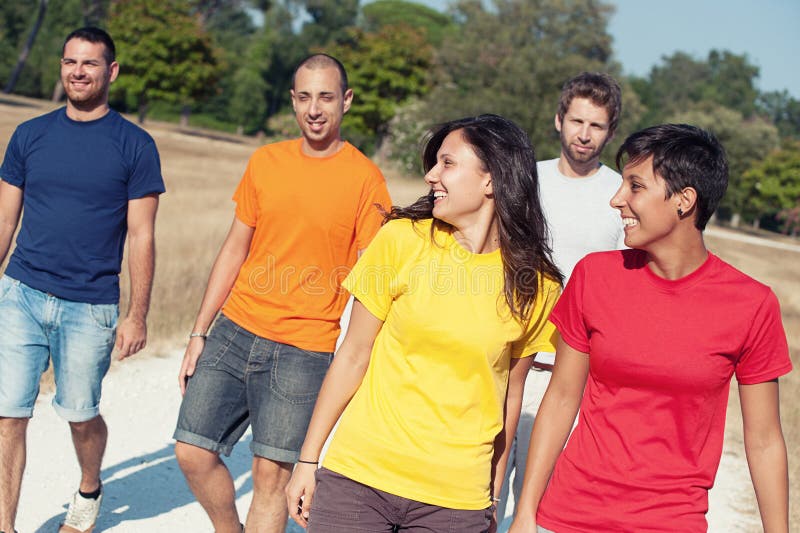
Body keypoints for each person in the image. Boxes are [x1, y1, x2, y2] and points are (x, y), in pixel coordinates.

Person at [285, 114, 563, 533]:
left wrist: (492, 497)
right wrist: (308, 459)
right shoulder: (401, 240)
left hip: (455, 500)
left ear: (491, 179)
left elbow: (509, 396)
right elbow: (353, 354)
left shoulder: (536, 286)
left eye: (447, 163)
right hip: (359, 477)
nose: (432, 175)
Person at [509, 124, 792, 533]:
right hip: (569, 515)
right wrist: (525, 513)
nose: (616, 199)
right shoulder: (593, 277)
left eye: (636, 186)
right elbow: (561, 398)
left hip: (671, 521)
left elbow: (764, 440)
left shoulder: (751, 305)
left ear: (684, 201)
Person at [173, 53, 391, 533]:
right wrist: (198, 331)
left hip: (304, 349)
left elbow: (372, 279)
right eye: (305, 97)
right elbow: (234, 248)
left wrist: (358, 359)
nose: (315, 109)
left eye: (326, 97)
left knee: (271, 478)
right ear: (293, 100)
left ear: (346, 101)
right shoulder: (265, 161)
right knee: (191, 451)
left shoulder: (366, 180)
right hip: (235, 330)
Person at [0, 27, 164, 533]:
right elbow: (5, 220)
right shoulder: (29, 135)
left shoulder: (135, 146)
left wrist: (136, 315)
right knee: (8, 415)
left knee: (79, 415)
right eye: (70, 62)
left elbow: (141, 236)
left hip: (89, 306)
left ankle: (89, 487)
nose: (78, 72)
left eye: (89, 63)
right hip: (21, 293)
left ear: (111, 71)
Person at [498, 71, 626, 520]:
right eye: (577, 121)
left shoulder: (621, 195)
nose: (584, 135)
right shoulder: (526, 180)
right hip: (505, 360)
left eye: (596, 126)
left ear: (611, 131)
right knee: (480, 496)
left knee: (536, 506)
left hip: (568, 376)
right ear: (558, 120)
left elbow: (623, 290)